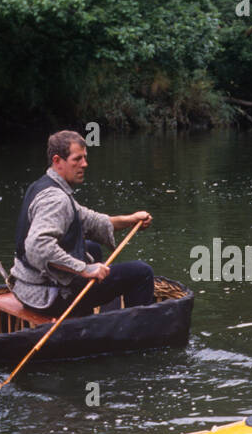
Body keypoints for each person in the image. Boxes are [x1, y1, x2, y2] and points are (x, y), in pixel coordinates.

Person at [8, 130, 154, 316]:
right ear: (57, 160)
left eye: (85, 158)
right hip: (47, 296)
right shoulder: (56, 199)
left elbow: (88, 220)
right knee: (142, 273)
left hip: (26, 287)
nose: (84, 164)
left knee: (92, 248)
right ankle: (135, 335)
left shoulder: (43, 185)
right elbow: (38, 247)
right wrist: (84, 269)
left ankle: (85, 315)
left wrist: (130, 220)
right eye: (77, 159)